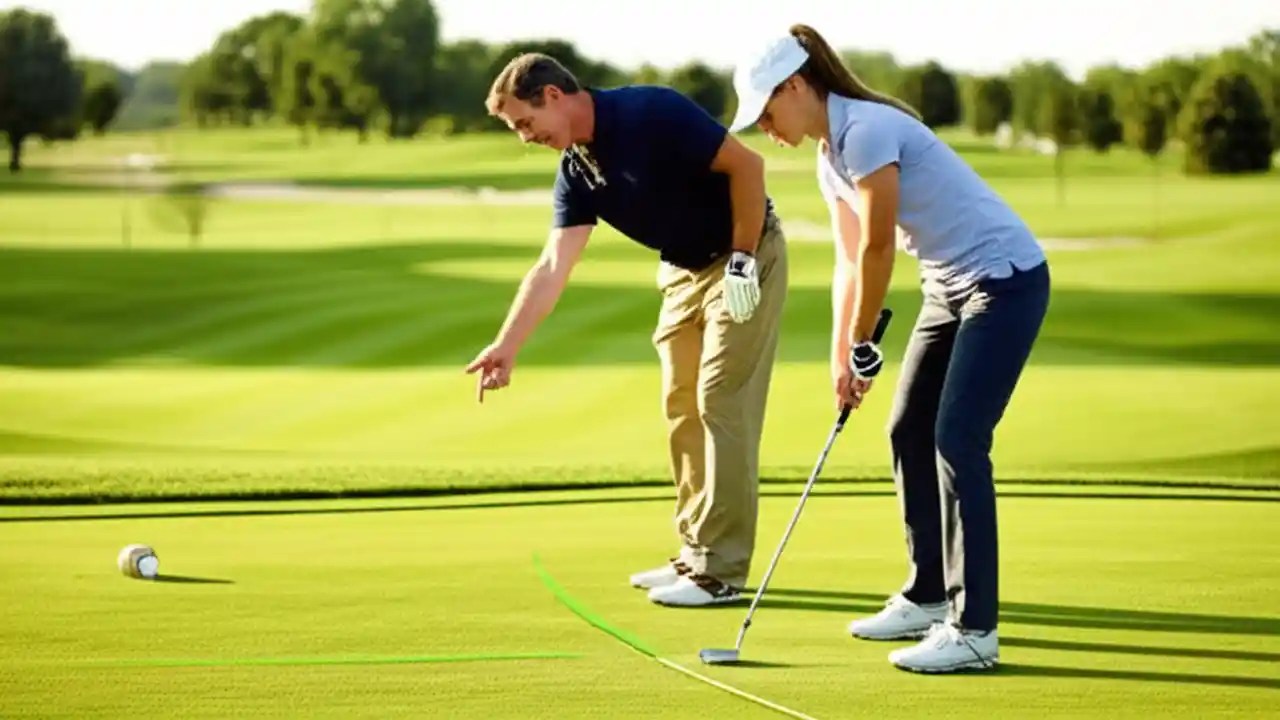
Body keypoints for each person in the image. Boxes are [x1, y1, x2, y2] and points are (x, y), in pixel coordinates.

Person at [726, 25, 1050, 672]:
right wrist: (844, 355)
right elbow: (849, 262)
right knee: (908, 429)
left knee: (958, 438)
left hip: (1004, 280)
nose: (765, 127)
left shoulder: (867, 130)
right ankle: (928, 594)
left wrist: (865, 341)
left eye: (766, 111)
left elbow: (879, 245)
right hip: (949, 287)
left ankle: (975, 629)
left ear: (796, 86)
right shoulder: (828, 158)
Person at [466, 53, 790, 607]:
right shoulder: (576, 170)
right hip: (683, 271)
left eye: (524, 123)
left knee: (720, 402)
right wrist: (507, 344)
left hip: (745, 252)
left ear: (552, 96)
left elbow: (748, 168)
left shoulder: (651, 112)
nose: (525, 137)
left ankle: (722, 570)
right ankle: (695, 551)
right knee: (681, 404)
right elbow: (552, 265)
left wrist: (739, 258)